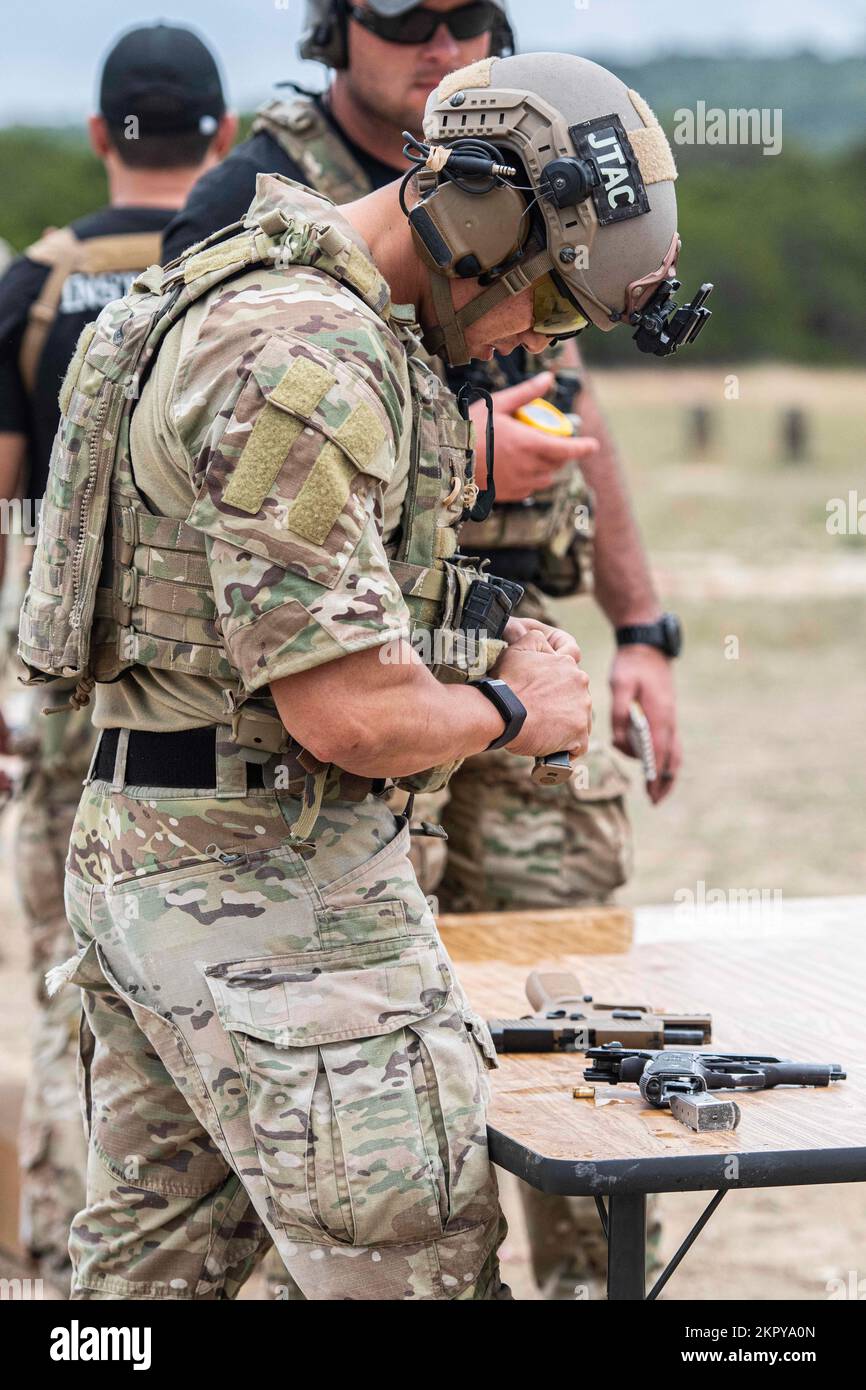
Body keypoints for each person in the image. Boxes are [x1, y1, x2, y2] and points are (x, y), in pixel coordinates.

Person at [21, 50, 700, 1300]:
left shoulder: (252, 286)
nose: (533, 338)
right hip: (272, 892)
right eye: (547, 300)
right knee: (418, 1274)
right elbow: (343, 711)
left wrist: (473, 642)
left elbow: (241, 629)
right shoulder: (312, 360)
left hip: (166, 855)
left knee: (153, 1288)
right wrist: (517, 711)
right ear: (485, 222)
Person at [0, 21, 235, 1287]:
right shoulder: (241, 269)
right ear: (224, 134)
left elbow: (4, 512)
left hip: (65, 688)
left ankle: (61, 1258)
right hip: (213, 692)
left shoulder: (33, 287)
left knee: (64, 976)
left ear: (100, 135)